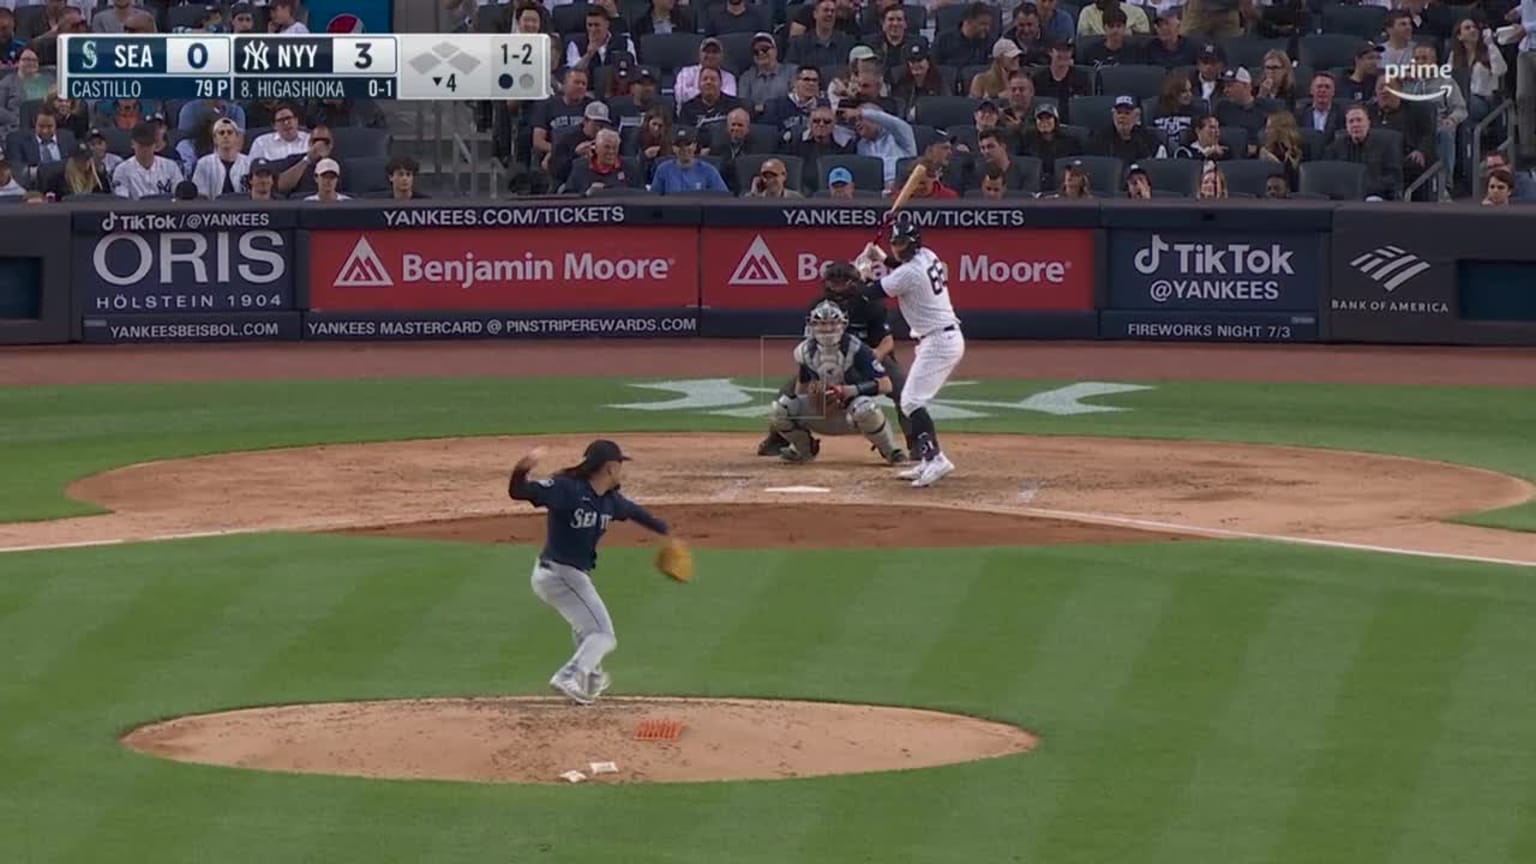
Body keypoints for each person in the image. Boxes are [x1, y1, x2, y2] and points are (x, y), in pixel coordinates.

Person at [508, 439, 672, 704]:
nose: (622, 471)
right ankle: (569, 675)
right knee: (604, 635)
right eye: (619, 465)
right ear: (609, 468)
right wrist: (521, 469)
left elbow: (634, 512)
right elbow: (519, 492)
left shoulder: (609, 500)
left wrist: (666, 532)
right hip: (560, 574)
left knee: (588, 629)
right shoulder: (567, 489)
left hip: (566, 575)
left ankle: (590, 678)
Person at [855, 218, 965, 488]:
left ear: (914, 243)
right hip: (939, 338)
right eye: (894, 243)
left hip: (939, 342)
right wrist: (880, 257)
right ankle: (929, 460)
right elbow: (900, 268)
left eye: (902, 243)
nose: (897, 248)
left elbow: (868, 294)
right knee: (912, 401)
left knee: (912, 401)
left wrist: (862, 271)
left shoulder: (909, 274)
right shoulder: (927, 255)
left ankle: (936, 459)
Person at [766, 300, 904, 464]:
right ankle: (804, 449)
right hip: (821, 411)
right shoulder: (803, 352)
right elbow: (800, 390)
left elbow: (886, 384)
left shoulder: (857, 349)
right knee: (779, 409)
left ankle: (890, 450)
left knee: (867, 409)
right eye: (822, 324)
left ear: (842, 324)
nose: (828, 329)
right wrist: (815, 397)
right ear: (812, 325)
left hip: (852, 411)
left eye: (832, 323)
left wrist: (848, 391)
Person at [112, 121, 182, 198]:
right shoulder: (122, 170)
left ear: (155, 145)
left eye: (149, 145)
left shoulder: (170, 166)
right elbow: (122, 199)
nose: (145, 150)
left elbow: (179, 197)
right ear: (133, 144)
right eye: (141, 146)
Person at [650, 126, 729, 194]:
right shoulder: (663, 170)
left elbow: (723, 198)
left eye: (688, 144)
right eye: (679, 145)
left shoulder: (709, 171)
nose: (684, 149)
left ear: (695, 146)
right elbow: (654, 199)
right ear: (673, 148)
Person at [190, 117, 250, 199]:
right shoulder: (204, 163)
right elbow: (200, 195)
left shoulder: (248, 162)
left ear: (236, 137)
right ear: (215, 139)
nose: (226, 136)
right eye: (221, 133)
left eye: (230, 132)